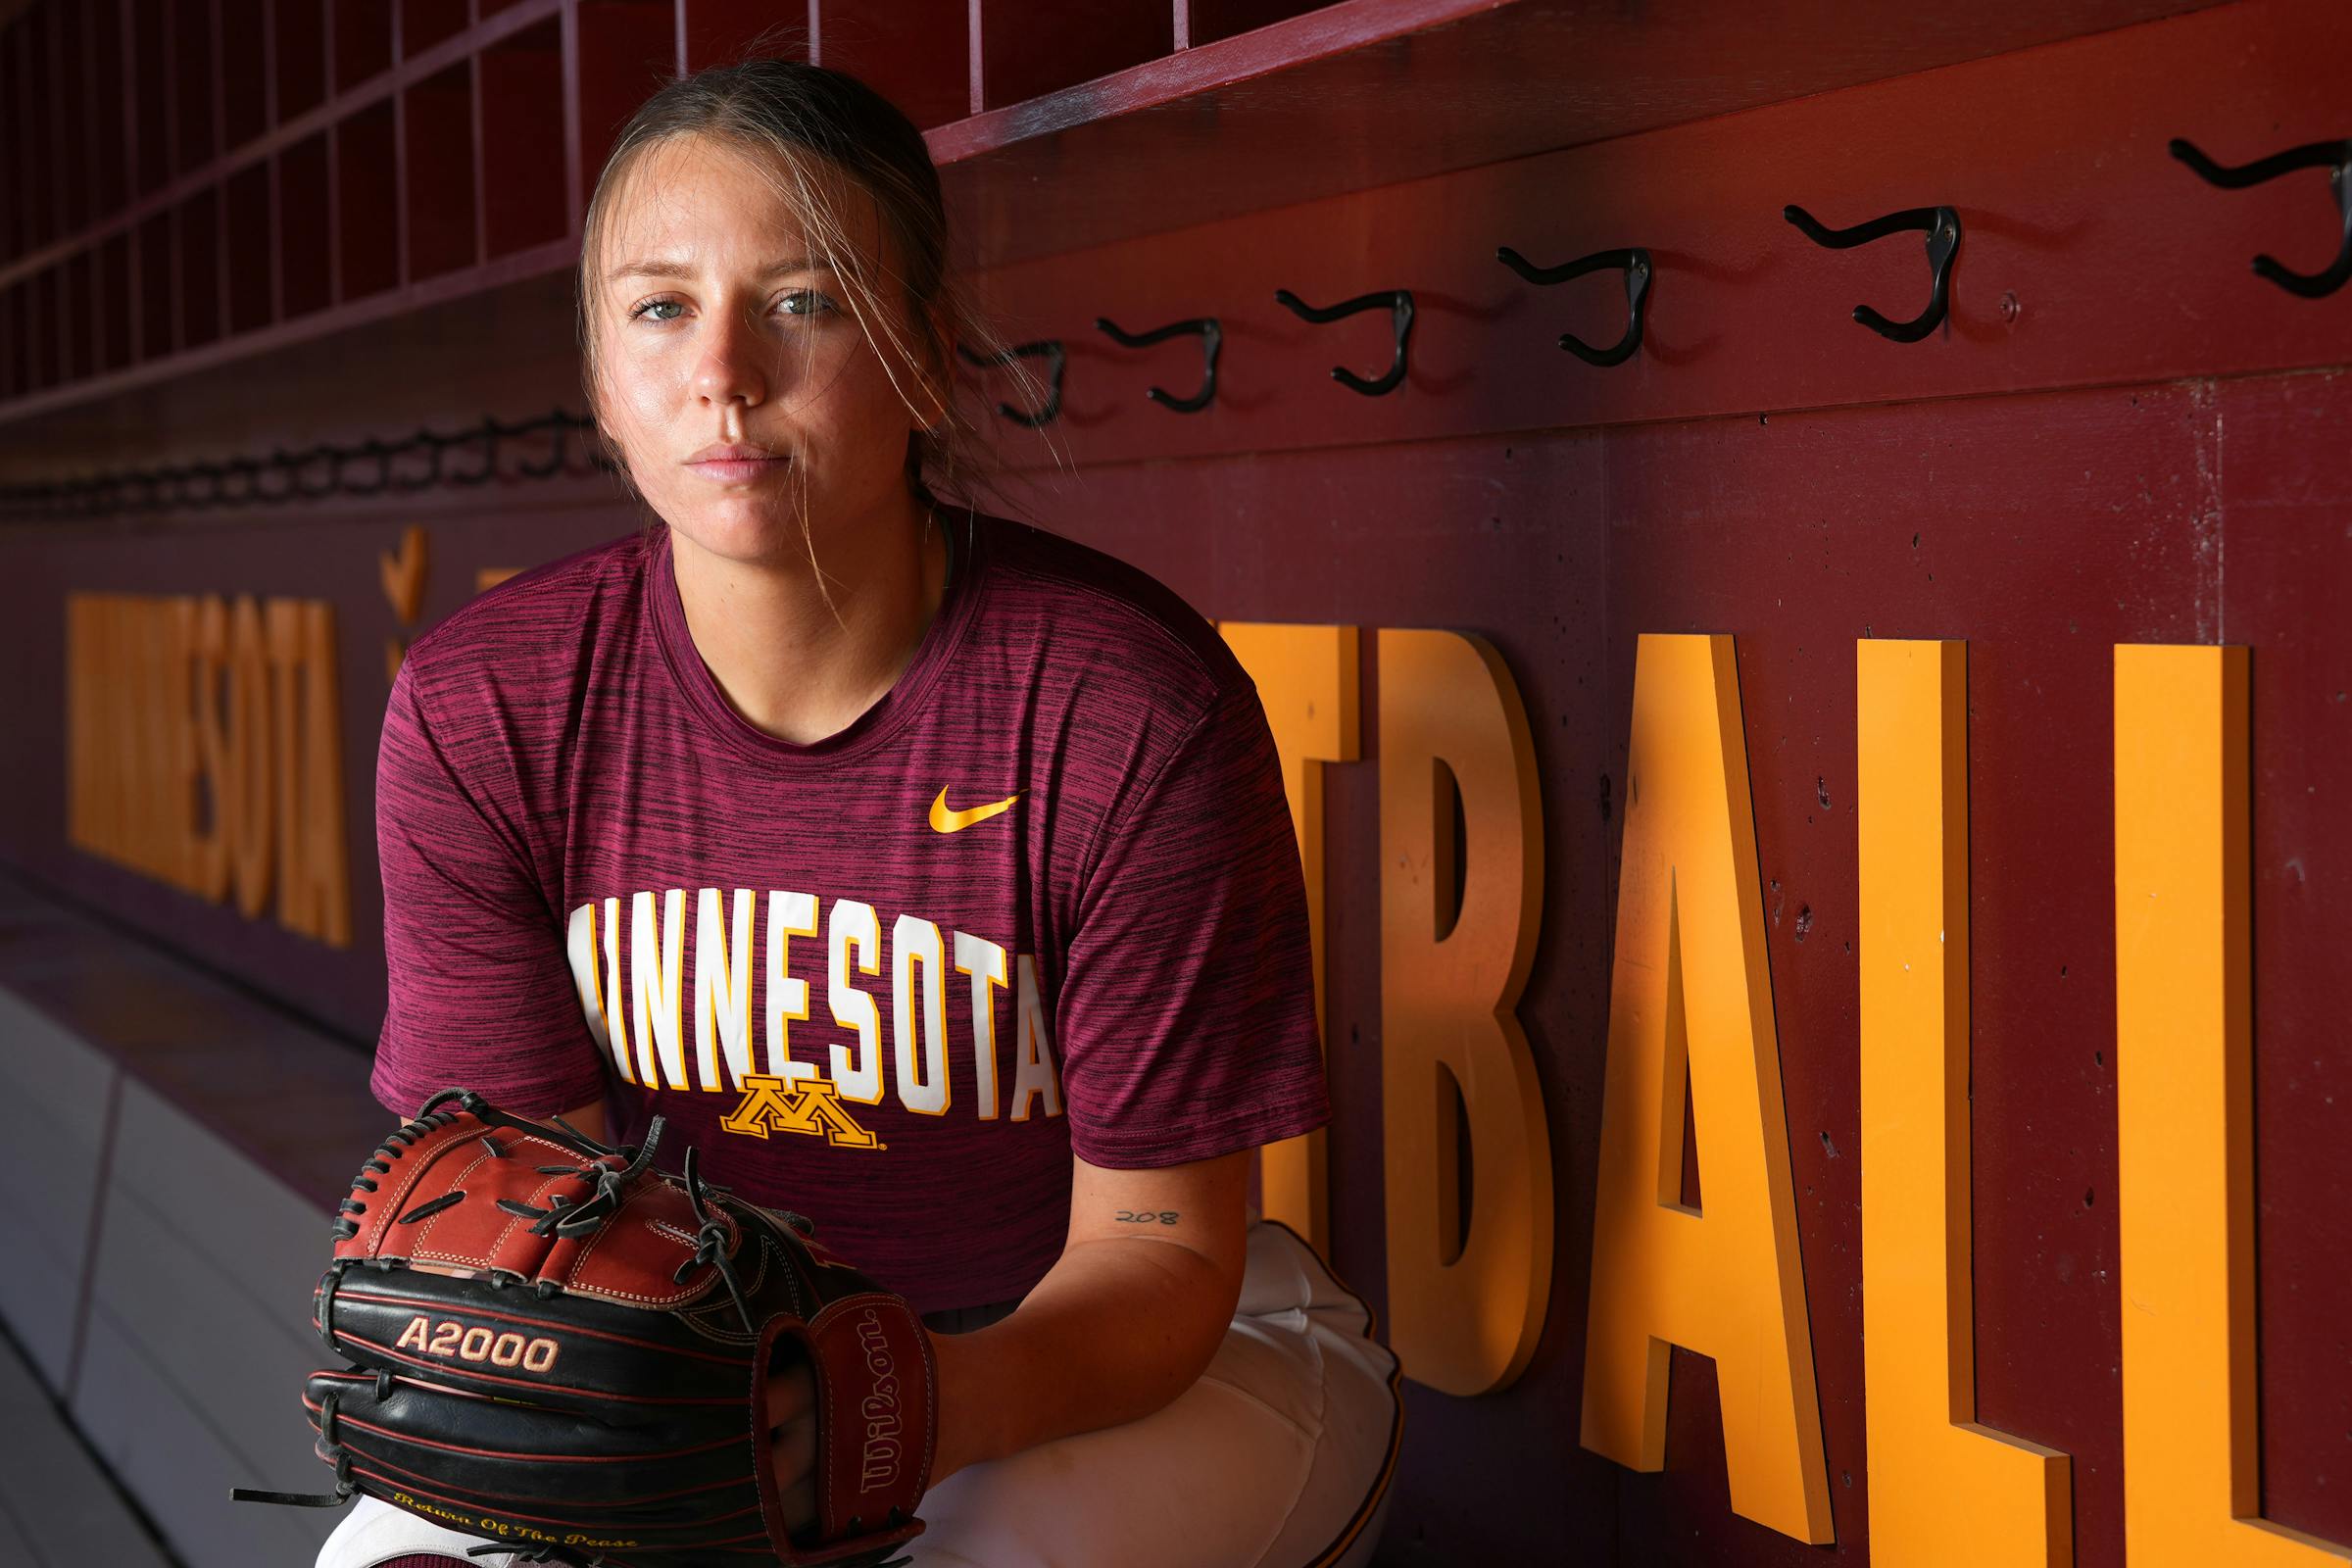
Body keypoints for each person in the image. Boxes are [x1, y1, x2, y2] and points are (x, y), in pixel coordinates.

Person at [318, 54, 1401, 1568]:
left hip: (1142, 1359)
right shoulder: (483, 706)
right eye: (660, 307)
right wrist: (655, 1430)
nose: (725, 373)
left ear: (922, 346)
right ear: (602, 380)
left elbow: (1159, 1262)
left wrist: (893, 1409)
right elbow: (540, 1217)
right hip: (707, 1367)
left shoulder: (1128, 705)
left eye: (805, 300)